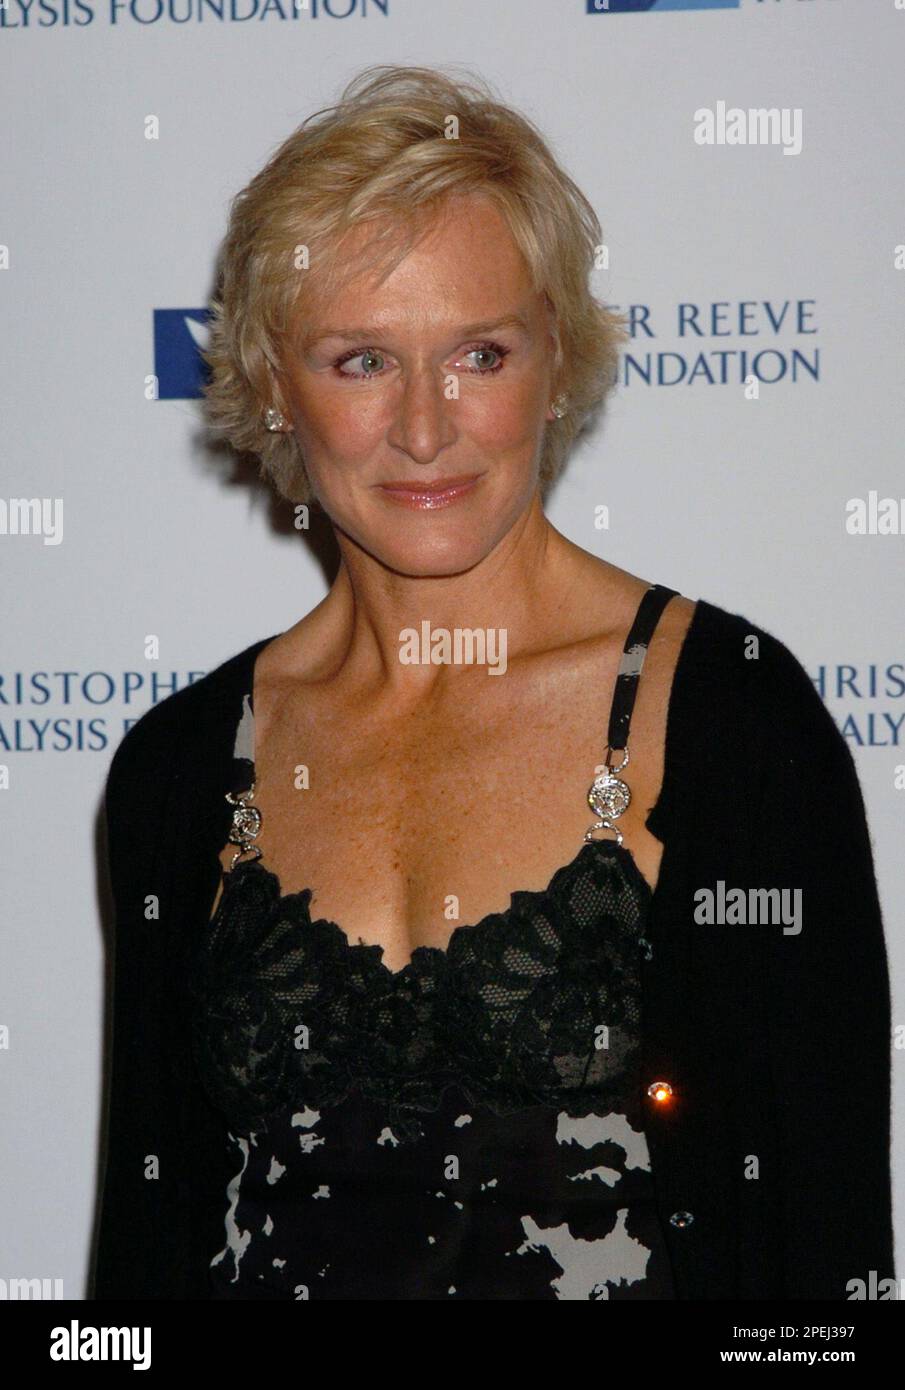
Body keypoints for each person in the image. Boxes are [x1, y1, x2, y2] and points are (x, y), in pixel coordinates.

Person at [92, 65, 895, 1300]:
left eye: (478, 351)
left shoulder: (731, 720)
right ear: (269, 380)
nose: (426, 427)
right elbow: (143, 1260)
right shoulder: (181, 768)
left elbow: (820, 1254)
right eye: (359, 359)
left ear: (555, 358)